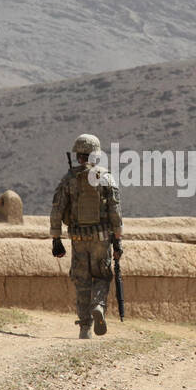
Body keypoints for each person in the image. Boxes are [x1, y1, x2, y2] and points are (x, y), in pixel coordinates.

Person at [50, 134, 123, 339]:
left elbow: (56, 210)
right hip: (101, 239)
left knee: (82, 280)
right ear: (96, 156)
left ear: (78, 156)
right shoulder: (106, 177)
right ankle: (98, 306)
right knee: (102, 275)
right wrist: (117, 241)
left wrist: (56, 239)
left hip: (78, 239)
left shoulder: (68, 180)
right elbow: (115, 212)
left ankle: (84, 327)